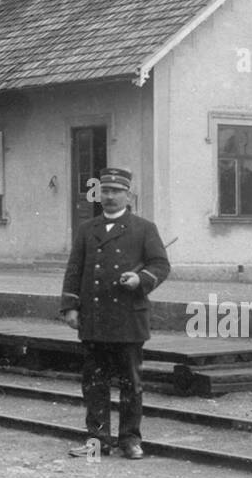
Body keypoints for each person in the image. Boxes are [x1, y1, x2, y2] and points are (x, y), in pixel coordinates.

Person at [60, 168, 170, 460]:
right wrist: (70, 306)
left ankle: (130, 440)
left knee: (130, 383)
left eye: (115, 191)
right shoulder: (87, 229)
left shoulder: (144, 228)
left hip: (128, 319)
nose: (109, 197)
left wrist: (140, 280)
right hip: (94, 318)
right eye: (104, 191)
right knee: (94, 383)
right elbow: (74, 269)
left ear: (128, 195)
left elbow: (161, 265)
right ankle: (97, 441)